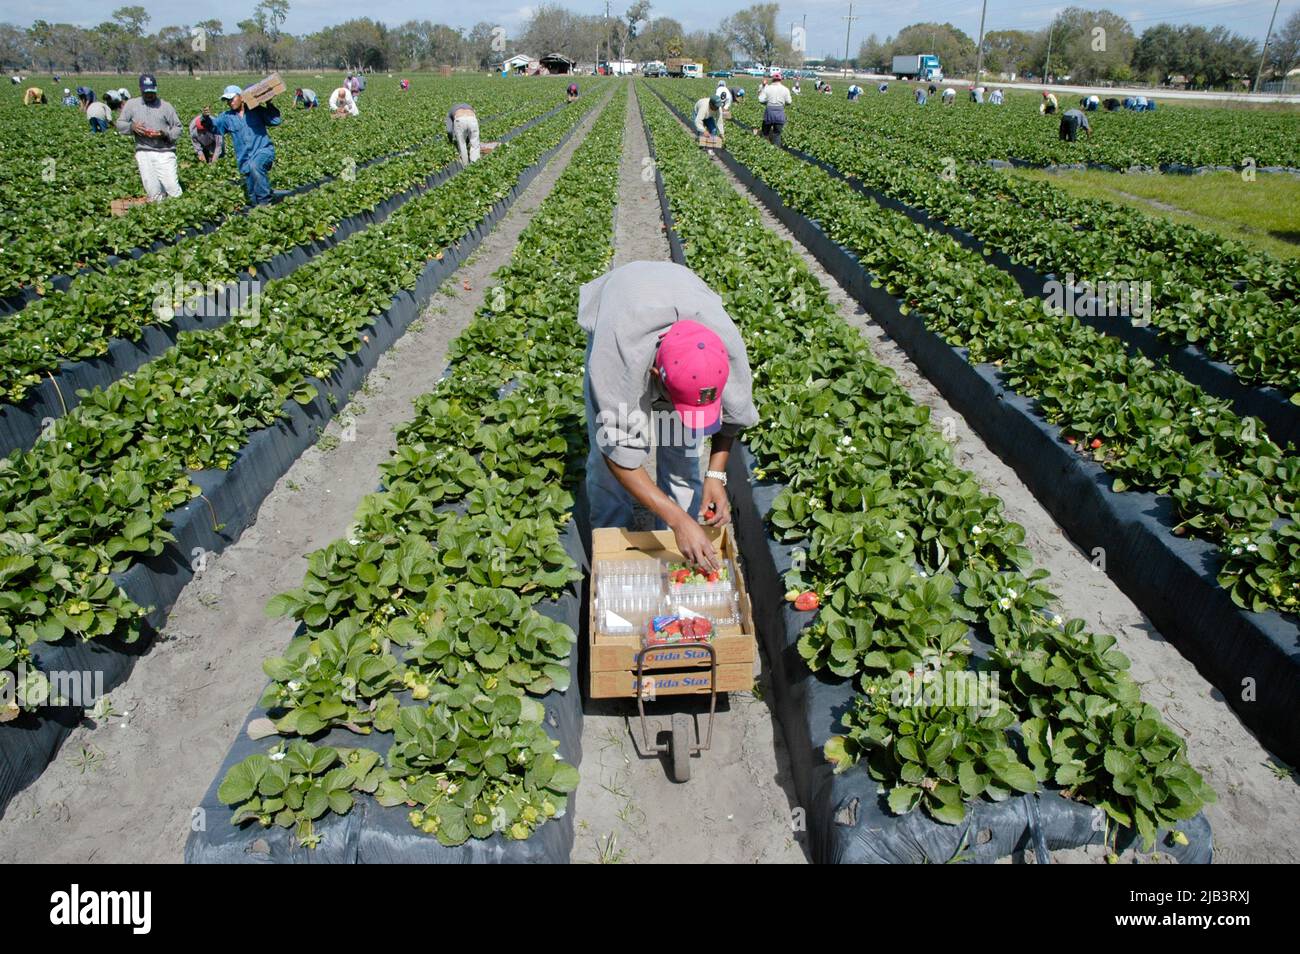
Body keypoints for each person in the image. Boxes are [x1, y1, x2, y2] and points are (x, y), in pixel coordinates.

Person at [579, 261, 758, 568]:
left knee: (683, 456)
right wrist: (676, 519)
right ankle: (612, 555)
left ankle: (678, 560)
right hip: (626, 297)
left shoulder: (724, 353)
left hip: (682, 292)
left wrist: (715, 474)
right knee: (605, 472)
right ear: (655, 377)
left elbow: (733, 418)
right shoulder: (618, 358)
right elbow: (615, 452)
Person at [202, 84, 282, 205]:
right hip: (244, 158)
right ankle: (258, 206)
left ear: (241, 97)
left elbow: (276, 121)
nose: (230, 103)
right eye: (227, 101)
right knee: (252, 192)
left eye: (232, 99)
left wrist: (269, 103)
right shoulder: (226, 117)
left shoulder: (256, 110)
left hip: (263, 151)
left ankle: (266, 202)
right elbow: (214, 127)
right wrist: (206, 118)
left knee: (256, 167)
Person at [115, 74, 182, 201]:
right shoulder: (131, 105)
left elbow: (178, 128)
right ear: (141, 89)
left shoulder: (165, 106)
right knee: (153, 189)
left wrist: (165, 134)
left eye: (152, 91)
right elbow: (120, 124)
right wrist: (132, 127)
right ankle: (160, 214)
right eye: (146, 92)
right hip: (143, 151)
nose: (150, 95)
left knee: (172, 186)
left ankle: (180, 211)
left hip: (164, 151)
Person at [758, 71, 791, 145]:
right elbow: (789, 102)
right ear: (780, 80)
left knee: (765, 133)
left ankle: (765, 148)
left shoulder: (767, 88)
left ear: (772, 80)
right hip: (779, 112)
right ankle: (777, 151)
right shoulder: (785, 89)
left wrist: (767, 102)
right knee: (777, 134)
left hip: (769, 112)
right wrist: (782, 104)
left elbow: (761, 100)